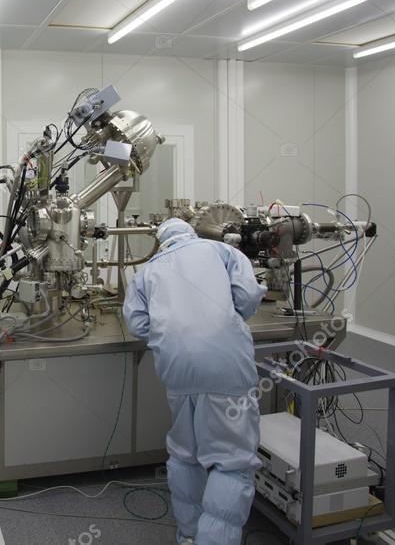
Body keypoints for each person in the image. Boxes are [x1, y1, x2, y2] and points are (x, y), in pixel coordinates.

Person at [123, 218, 267, 545]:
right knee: (231, 461)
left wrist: (173, 333)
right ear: (190, 232)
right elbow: (246, 298)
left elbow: (137, 324)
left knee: (185, 453)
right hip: (226, 364)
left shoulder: (146, 272)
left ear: (162, 242)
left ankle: (188, 534)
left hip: (176, 367)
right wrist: (219, 322)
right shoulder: (221, 251)